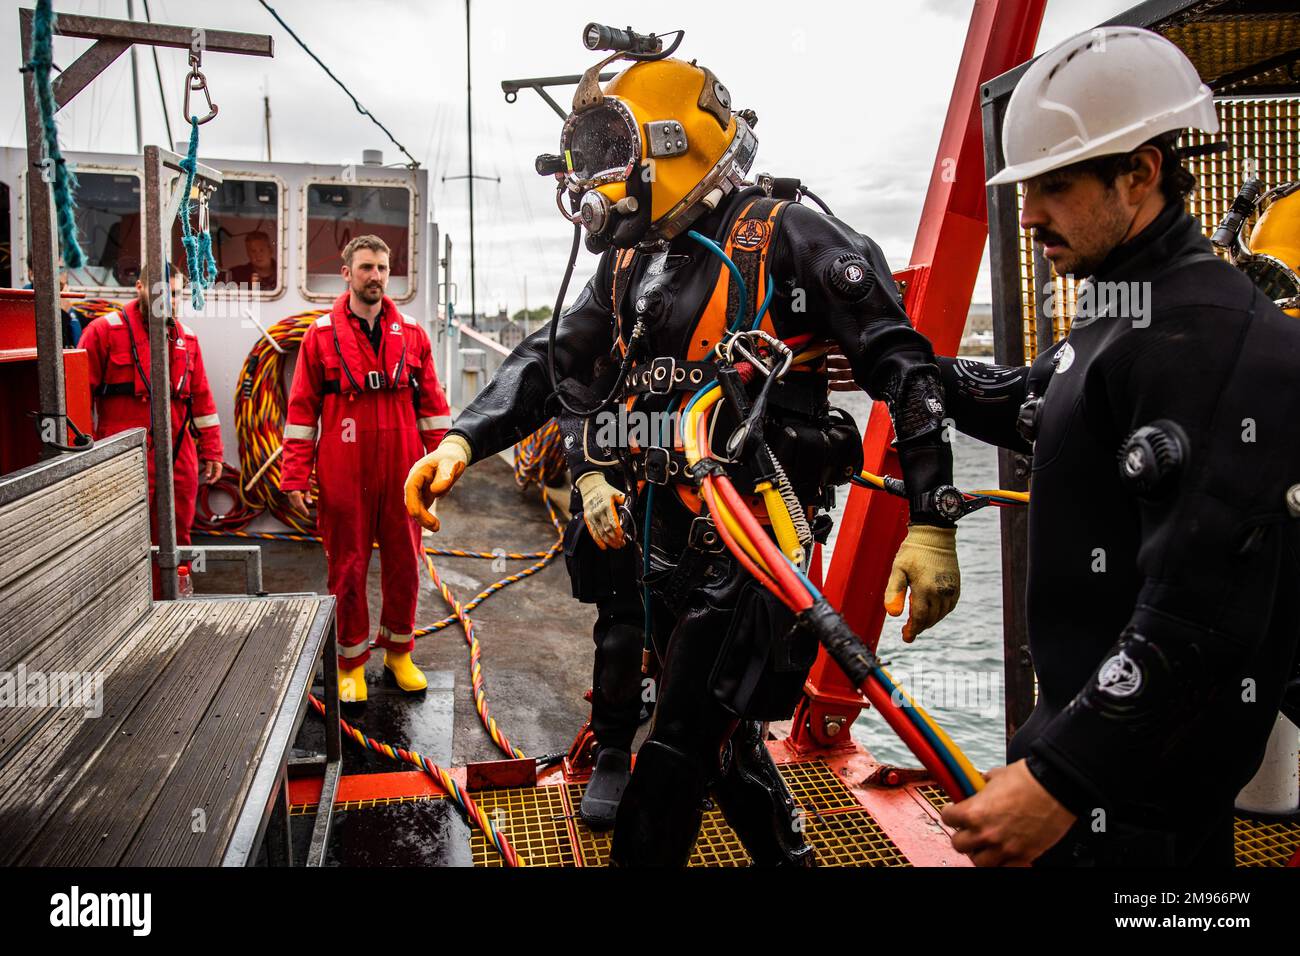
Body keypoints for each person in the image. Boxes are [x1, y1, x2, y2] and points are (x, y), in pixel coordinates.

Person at [405, 33, 962, 866]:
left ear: (671, 145)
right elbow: (554, 356)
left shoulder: (787, 236)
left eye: (609, 152)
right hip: (666, 538)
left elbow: (906, 367)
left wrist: (932, 519)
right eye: (585, 159)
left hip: (754, 548)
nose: (594, 181)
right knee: (726, 744)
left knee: (674, 757)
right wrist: (464, 437)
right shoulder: (632, 261)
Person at [936, 26, 1300, 866]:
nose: (1026, 216)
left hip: (1136, 809)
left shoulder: (1207, 339)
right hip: (1103, 769)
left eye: (1053, 188)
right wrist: (897, 363)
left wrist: (1059, 780)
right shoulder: (1129, 310)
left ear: (1140, 172)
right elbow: (1035, 405)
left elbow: (1200, 611)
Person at [280, 235, 451, 703]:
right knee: (348, 568)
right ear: (347, 274)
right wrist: (294, 476)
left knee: (404, 564)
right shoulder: (318, 337)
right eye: (366, 268)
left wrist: (445, 462)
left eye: (381, 268)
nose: (375, 276)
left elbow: (434, 408)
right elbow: (300, 413)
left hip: (402, 468)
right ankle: (350, 661)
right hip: (342, 466)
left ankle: (399, 654)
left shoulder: (413, 334)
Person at [79, 265, 223, 592]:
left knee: (178, 532)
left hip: (178, 454)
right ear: (141, 286)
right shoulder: (103, 332)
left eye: (173, 293)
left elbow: (201, 399)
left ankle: (174, 602)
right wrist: (85, 458)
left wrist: (212, 449)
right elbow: (78, 397)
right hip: (123, 455)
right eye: (160, 292)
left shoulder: (187, 338)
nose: (166, 300)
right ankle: (125, 604)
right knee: (124, 534)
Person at [556, 402, 647, 830]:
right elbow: (573, 390)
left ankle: (722, 746)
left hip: (721, 490)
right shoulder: (622, 334)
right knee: (623, 632)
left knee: (715, 626)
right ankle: (612, 748)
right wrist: (589, 475)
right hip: (629, 489)